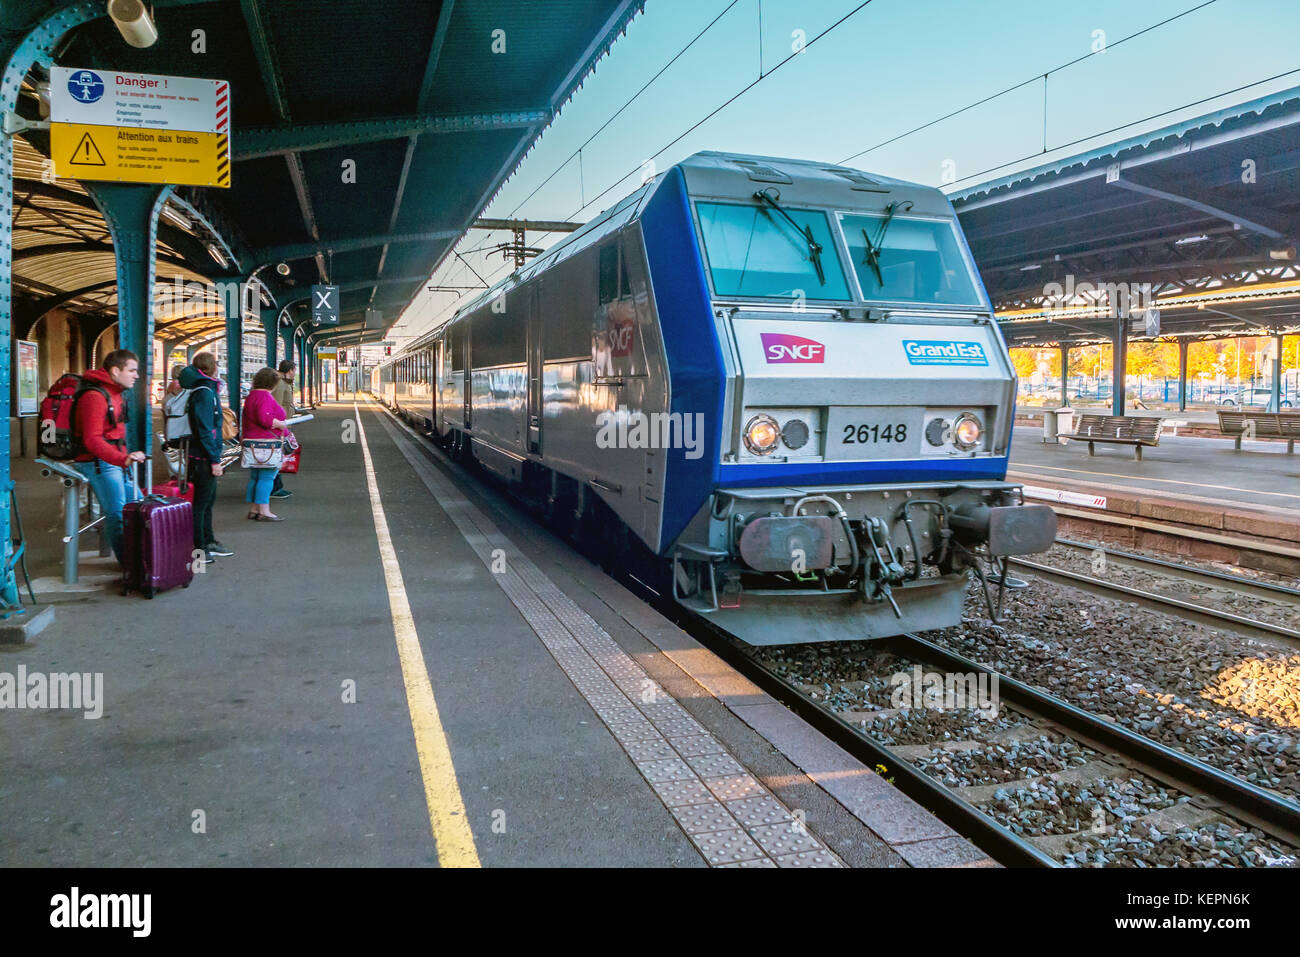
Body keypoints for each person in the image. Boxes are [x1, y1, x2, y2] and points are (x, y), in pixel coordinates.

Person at [72, 349, 146, 564]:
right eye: (132, 370)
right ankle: (129, 566)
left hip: (114, 461)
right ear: (115, 370)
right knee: (118, 513)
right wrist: (122, 459)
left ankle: (140, 559)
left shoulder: (113, 393)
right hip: (99, 462)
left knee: (137, 506)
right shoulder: (95, 397)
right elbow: (92, 440)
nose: (136, 375)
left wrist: (123, 459)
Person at [179, 353, 233, 561]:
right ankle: (199, 548)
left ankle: (208, 541)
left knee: (207, 501)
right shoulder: (204, 393)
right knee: (201, 503)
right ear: (212, 369)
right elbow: (205, 429)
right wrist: (214, 459)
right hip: (202, 457)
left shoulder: (203, 391)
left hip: (201, 455)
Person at [242, 367, 290, 522]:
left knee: (256, 477)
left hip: (252, 443)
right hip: (266, 444)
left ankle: (254, 509)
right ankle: (264, 510)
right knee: (267, 477)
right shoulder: (264, 397)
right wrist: (280, 424)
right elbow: (265, 419)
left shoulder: (251, 396)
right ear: (273, 383)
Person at [269, 360, 296, 499]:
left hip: (282, 424)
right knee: (277, 456)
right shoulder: (280, 384)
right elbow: (277, 405)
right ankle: (275, 488)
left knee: (278, 456)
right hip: (279, 426)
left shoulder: (282, 382)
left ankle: (276, 486)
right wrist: (280, 425)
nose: (295, 373)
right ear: (290, 370)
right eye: (294, 370)